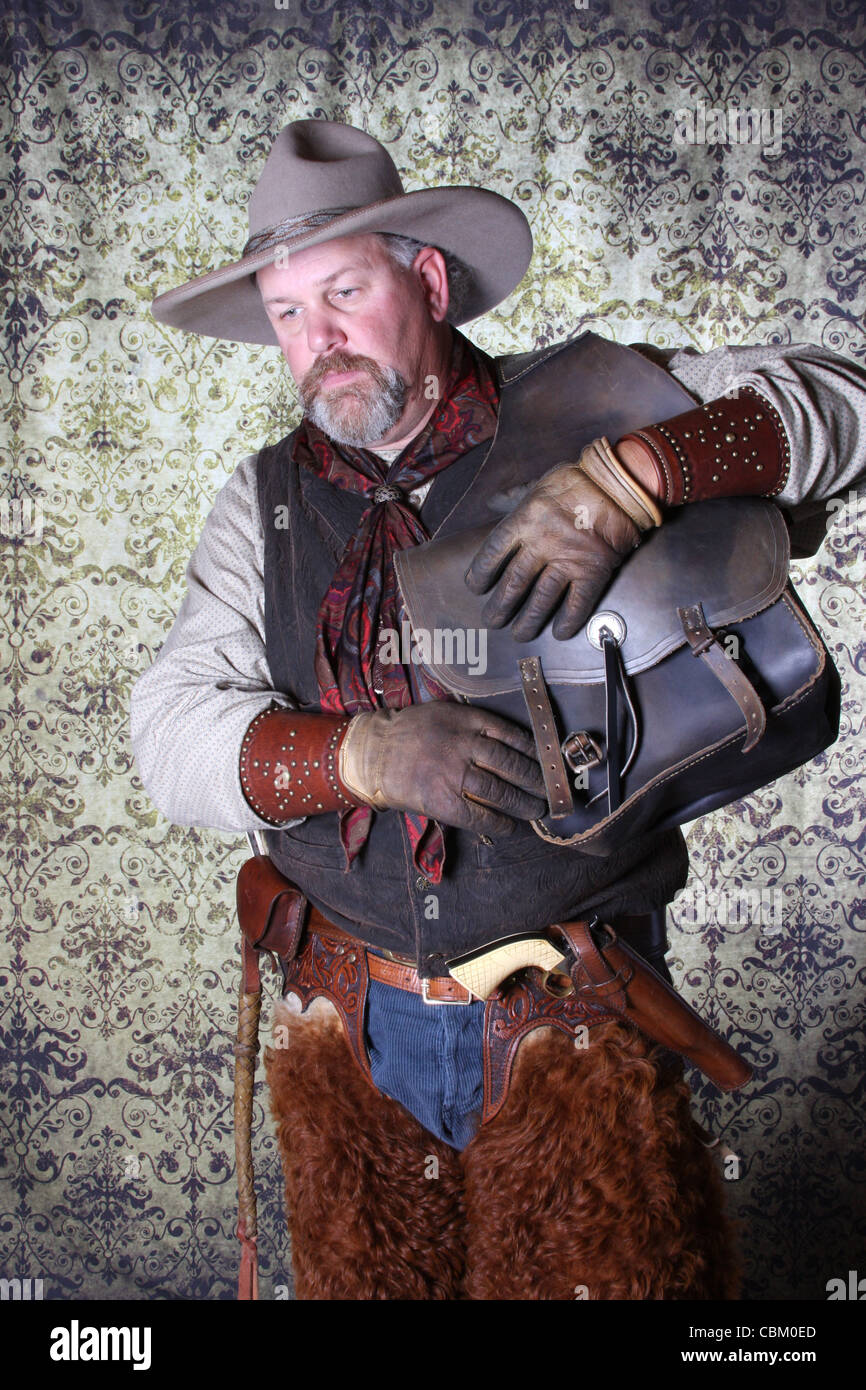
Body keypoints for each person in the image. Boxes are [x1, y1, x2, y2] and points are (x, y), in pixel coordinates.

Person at [131, 119, 866, 1300]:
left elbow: (844, 403)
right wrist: (357, 754)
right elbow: (165, 737)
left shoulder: (588, 405)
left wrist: (633, 479)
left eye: (343, 294)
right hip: (347, 1039)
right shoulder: (259, 507)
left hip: (571, 1031)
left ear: (425, 279)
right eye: (285, 314)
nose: (315, 344)